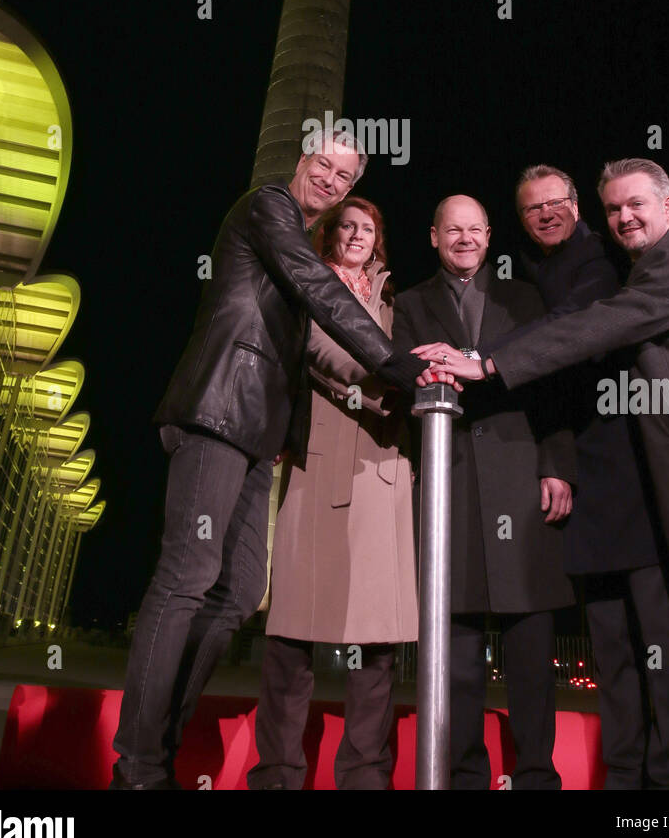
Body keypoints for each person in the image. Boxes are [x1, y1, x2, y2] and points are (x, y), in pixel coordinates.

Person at [416, 158, 669, 772]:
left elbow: (592, 325)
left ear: (668, 206)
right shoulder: (626, 266)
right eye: (615, 207)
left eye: (636, 204)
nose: (625, 217)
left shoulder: (664, 265)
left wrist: (485, 363)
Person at [110, 130, 433, 790]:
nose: (331, 180)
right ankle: (137, 768)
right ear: (302, 160)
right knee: (187, 577)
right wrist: (395, 364)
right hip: (218, 410)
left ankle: (161, 750)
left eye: (345, 176)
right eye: (324, 165)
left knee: (236, 593)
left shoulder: (303, 241)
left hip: (258, 435)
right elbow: (317, 290)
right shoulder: (269, 206)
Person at [516, 164, 669, 790]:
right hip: (585, 484)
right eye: (532, 208)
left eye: (556, 202)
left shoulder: (599, 260)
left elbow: (574, 326)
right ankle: (623, 779)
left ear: (576, 206)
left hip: (637, 479)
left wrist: (486, 360)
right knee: (611, 647)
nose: (546, 214)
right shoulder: (530, 276)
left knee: (663, 643)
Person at [393, 194, 576, 790]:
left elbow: (554, 385)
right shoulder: (408, 304)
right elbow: (402, 380)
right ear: (434, 236)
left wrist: (557, 464)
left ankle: (537, 776)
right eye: (453, 230)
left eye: (475, 229)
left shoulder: (525, 297)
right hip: (445, 486)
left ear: (490, 235)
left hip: (521, 482)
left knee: (531, 648)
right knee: (456, 650)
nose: (465, 239)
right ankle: (464, 776)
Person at [247, 197, 417, 790]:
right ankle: (277, 772)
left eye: (367, 228)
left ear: (378, 242)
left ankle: (365, 774)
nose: (356, 234)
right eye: (346, 224)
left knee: (377, 637)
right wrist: (388, 386)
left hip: (381, 467)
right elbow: (315, 350)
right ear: (328, 235)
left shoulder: (397, 300)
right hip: (315, 461)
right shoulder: (307, 287)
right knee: (291, 631)